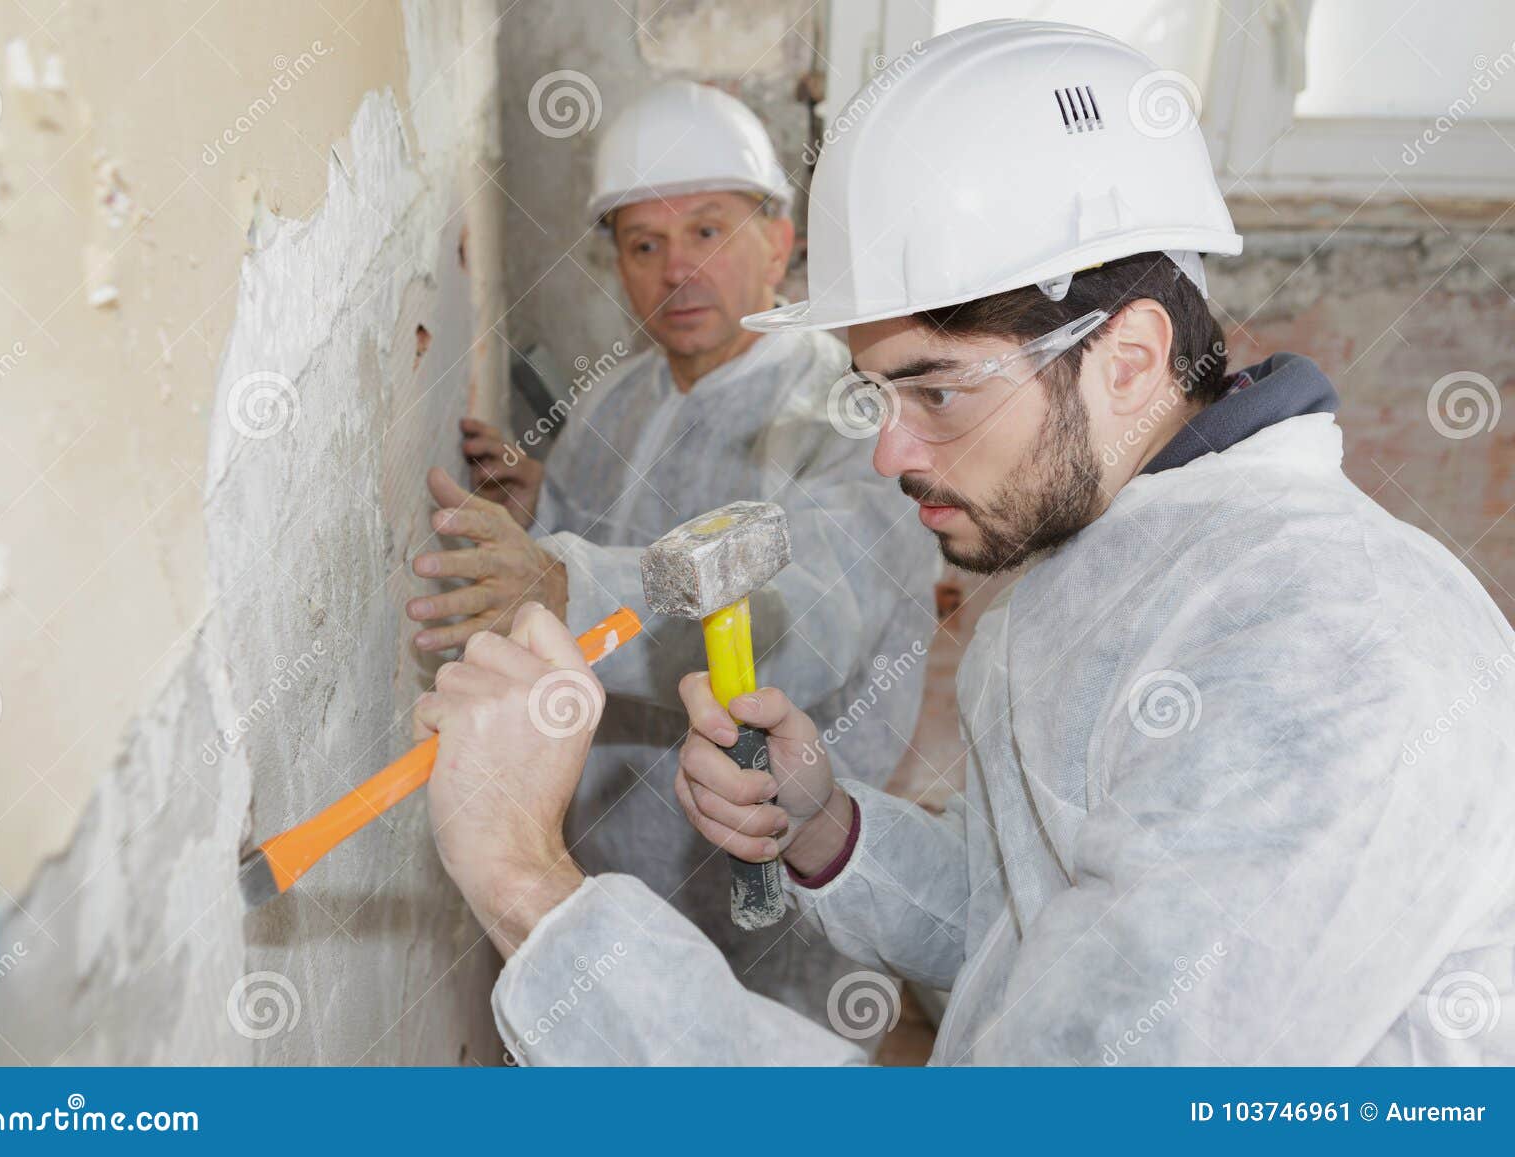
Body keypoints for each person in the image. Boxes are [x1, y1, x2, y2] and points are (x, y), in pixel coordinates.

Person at [414, 21, 1515, 1064]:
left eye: (935, 391)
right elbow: (1025, 919)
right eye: (877, 393)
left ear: (1130, 361)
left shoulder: (1331, 655)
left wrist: (526, 887)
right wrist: (830, 827)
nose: (889, 452)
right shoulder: (1098, 570)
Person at [407, 80, 938, 1043]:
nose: (677, 269)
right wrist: (542, 517)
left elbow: (807, 631)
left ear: (779, 241)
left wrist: (564, 581)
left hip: (777, 893)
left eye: (707, 230)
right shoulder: (613, 403)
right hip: (609, 861)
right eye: (643, 244)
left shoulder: (850, 415)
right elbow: (602, 552)